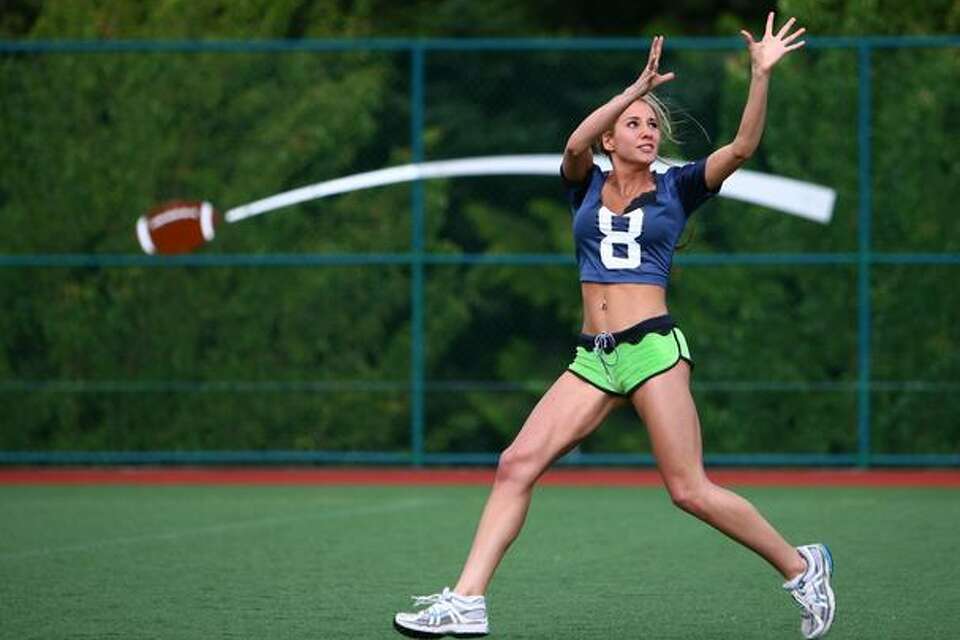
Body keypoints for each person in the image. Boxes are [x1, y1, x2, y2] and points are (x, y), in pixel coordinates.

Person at [394, 13, 835, 640]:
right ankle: (468, 601)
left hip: (652, 349)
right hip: (593, 358)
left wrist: (760, 77)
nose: (648, 130)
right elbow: (574, 146)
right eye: (635, 123)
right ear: (612, 136)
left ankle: (801, 566)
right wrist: (632, 90)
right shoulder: (585, 184)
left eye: (654, 123)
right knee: (516, 463)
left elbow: (741, 148)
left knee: (688, 490)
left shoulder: (679, 187)